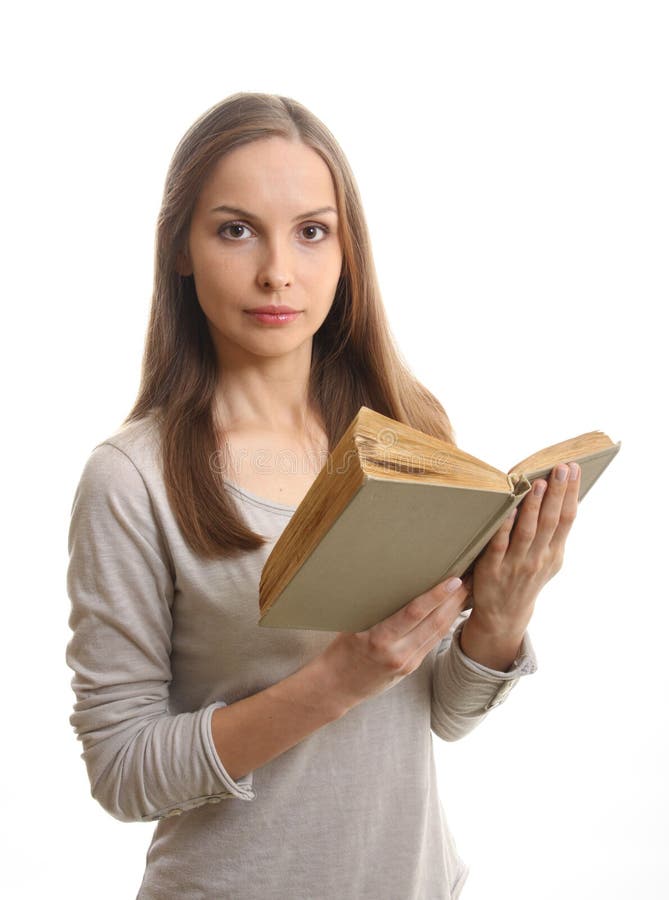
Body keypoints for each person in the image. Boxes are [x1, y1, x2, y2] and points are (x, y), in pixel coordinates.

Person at [66, 92, 581, 899]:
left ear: (347, 252)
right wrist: (334, 681)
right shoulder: (132, 480)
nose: (278, 270)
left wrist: (506, 616)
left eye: (311, 231)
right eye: (236, 230)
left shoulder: (407, 440)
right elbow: (122, 771)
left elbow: (436, 714)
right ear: (182, 249)